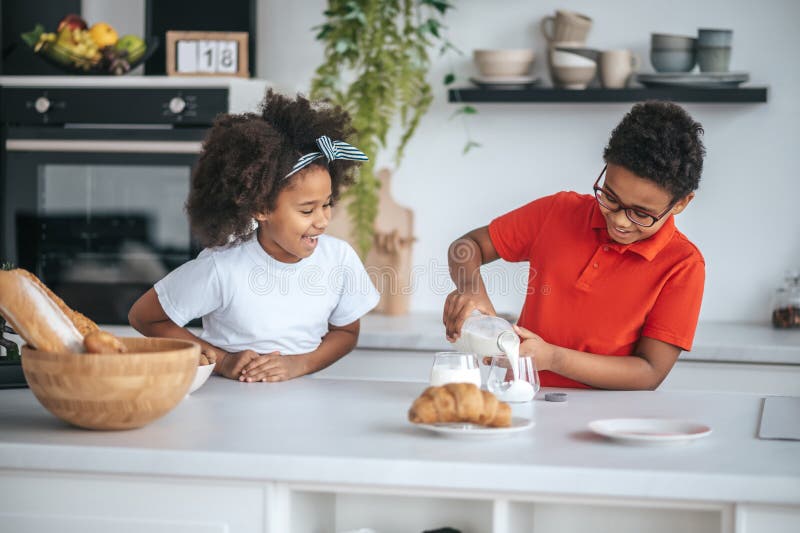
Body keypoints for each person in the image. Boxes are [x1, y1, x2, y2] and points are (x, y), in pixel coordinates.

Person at [443, 101, 706, 390]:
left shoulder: (683, 265)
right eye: (610, 197)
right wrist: (471, 290)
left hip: (611, 418)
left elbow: (649, 372)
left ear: (681, 203)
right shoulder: (558, 213)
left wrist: (554, 359)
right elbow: (466, 247)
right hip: (524, 397)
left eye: (641, 214)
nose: (620, 221)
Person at [129, 90, 379, 383]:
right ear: (262, 208)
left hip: (308, 407)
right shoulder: (222, 266)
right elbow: (144, 317)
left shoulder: (339, 259)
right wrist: (223, 361)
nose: (323, 220)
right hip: (228, 404)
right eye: (307, 210)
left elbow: (346, 332)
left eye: (327, 204)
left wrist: (300, 364)